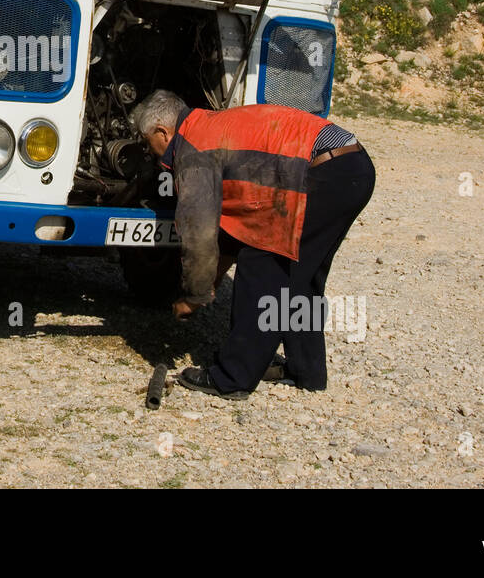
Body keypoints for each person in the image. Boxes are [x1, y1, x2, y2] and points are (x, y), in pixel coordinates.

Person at [131, 90, 375, 399]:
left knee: (260, 266)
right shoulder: (209, 124)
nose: (151, 151)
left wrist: (193, 297)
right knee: (300, 277)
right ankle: (307, 371)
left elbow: (200, 235)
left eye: (147, 141)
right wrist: (212, 282)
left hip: (322, 171)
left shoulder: (193, 147)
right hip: (351, 165)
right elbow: (229, 234)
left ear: (162, 132)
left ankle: (233, 377)